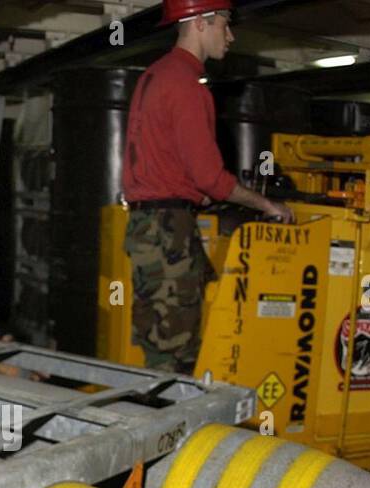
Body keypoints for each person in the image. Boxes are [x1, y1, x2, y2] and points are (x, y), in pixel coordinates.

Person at [122, 0, 293, 372]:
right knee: (177, 356)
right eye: (225, 25)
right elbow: (210, 178)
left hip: (147, 229)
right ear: (200, 22)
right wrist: (267, 205)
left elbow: (161, 161)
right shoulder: (186, 85)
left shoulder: (155, 75)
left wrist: (194, 192)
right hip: (169, 233)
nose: (230, 36)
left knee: (158, 346)